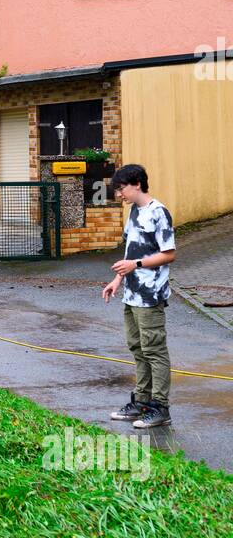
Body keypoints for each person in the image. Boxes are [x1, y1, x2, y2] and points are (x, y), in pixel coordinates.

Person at [102, 163, 177, 429]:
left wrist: (136, 266)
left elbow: (169, 254)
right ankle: (142, 402)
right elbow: (130, 252)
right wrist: (118, 278)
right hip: (131, 295)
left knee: (154, 350)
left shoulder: (159, 212)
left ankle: (160, 407)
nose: (119, 194)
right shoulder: (134, 212)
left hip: (150, 295)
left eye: (121, 189)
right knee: (137, 347)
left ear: (136, 184)